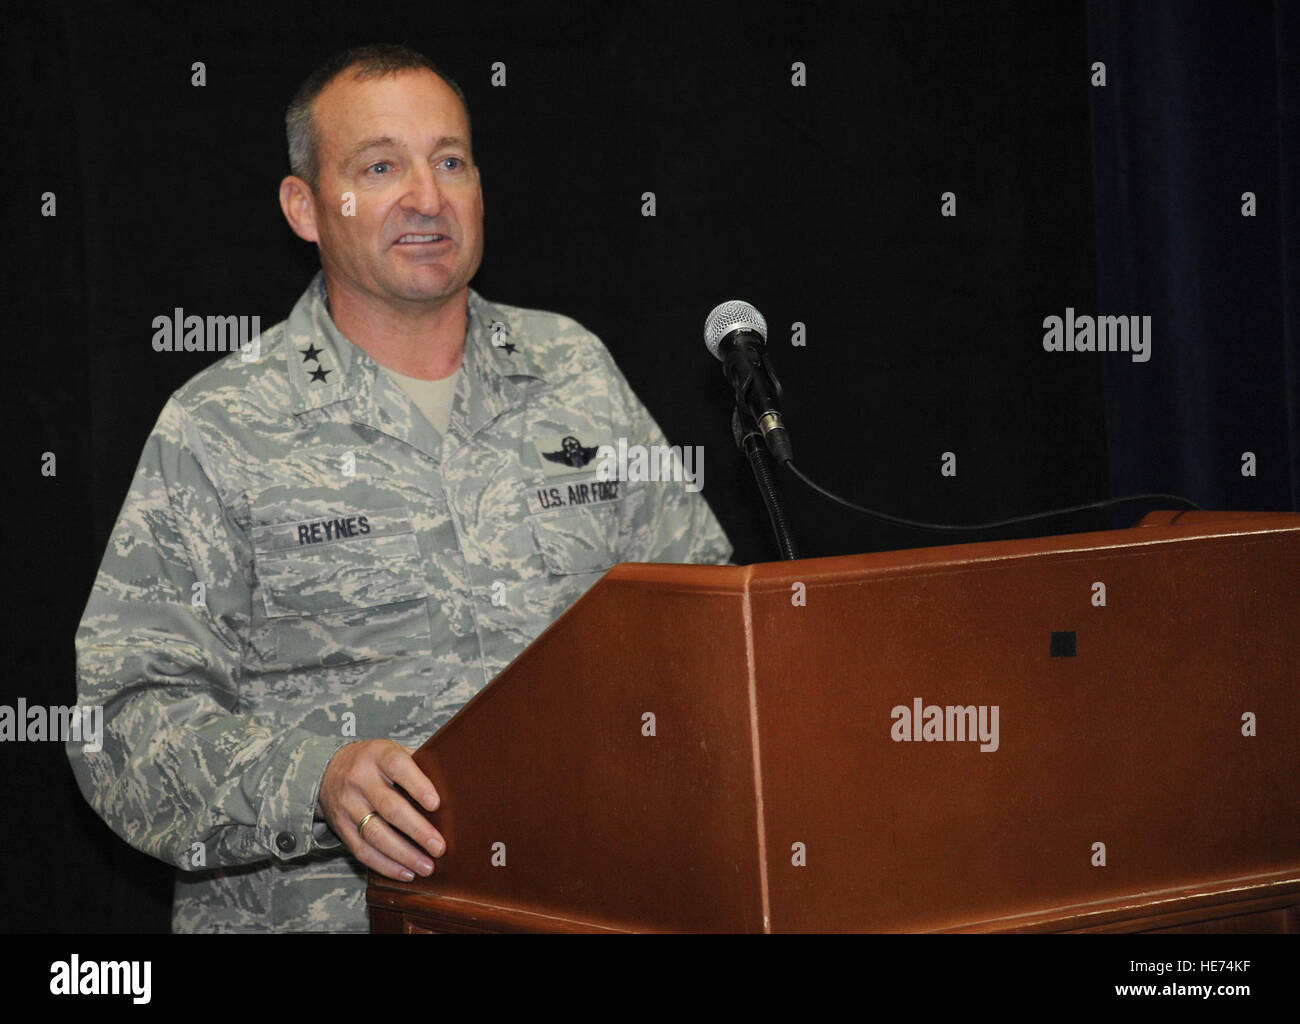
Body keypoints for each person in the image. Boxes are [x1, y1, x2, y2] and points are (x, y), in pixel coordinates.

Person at [68, 44, 732, 933]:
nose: (428, 196)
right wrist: (317, 780)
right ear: (304, 207)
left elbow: (709, 626)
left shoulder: (573, 370)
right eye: (381, 166)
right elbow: (122, 724)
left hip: (581, 909)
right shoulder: (219, 423)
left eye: (450, 160)